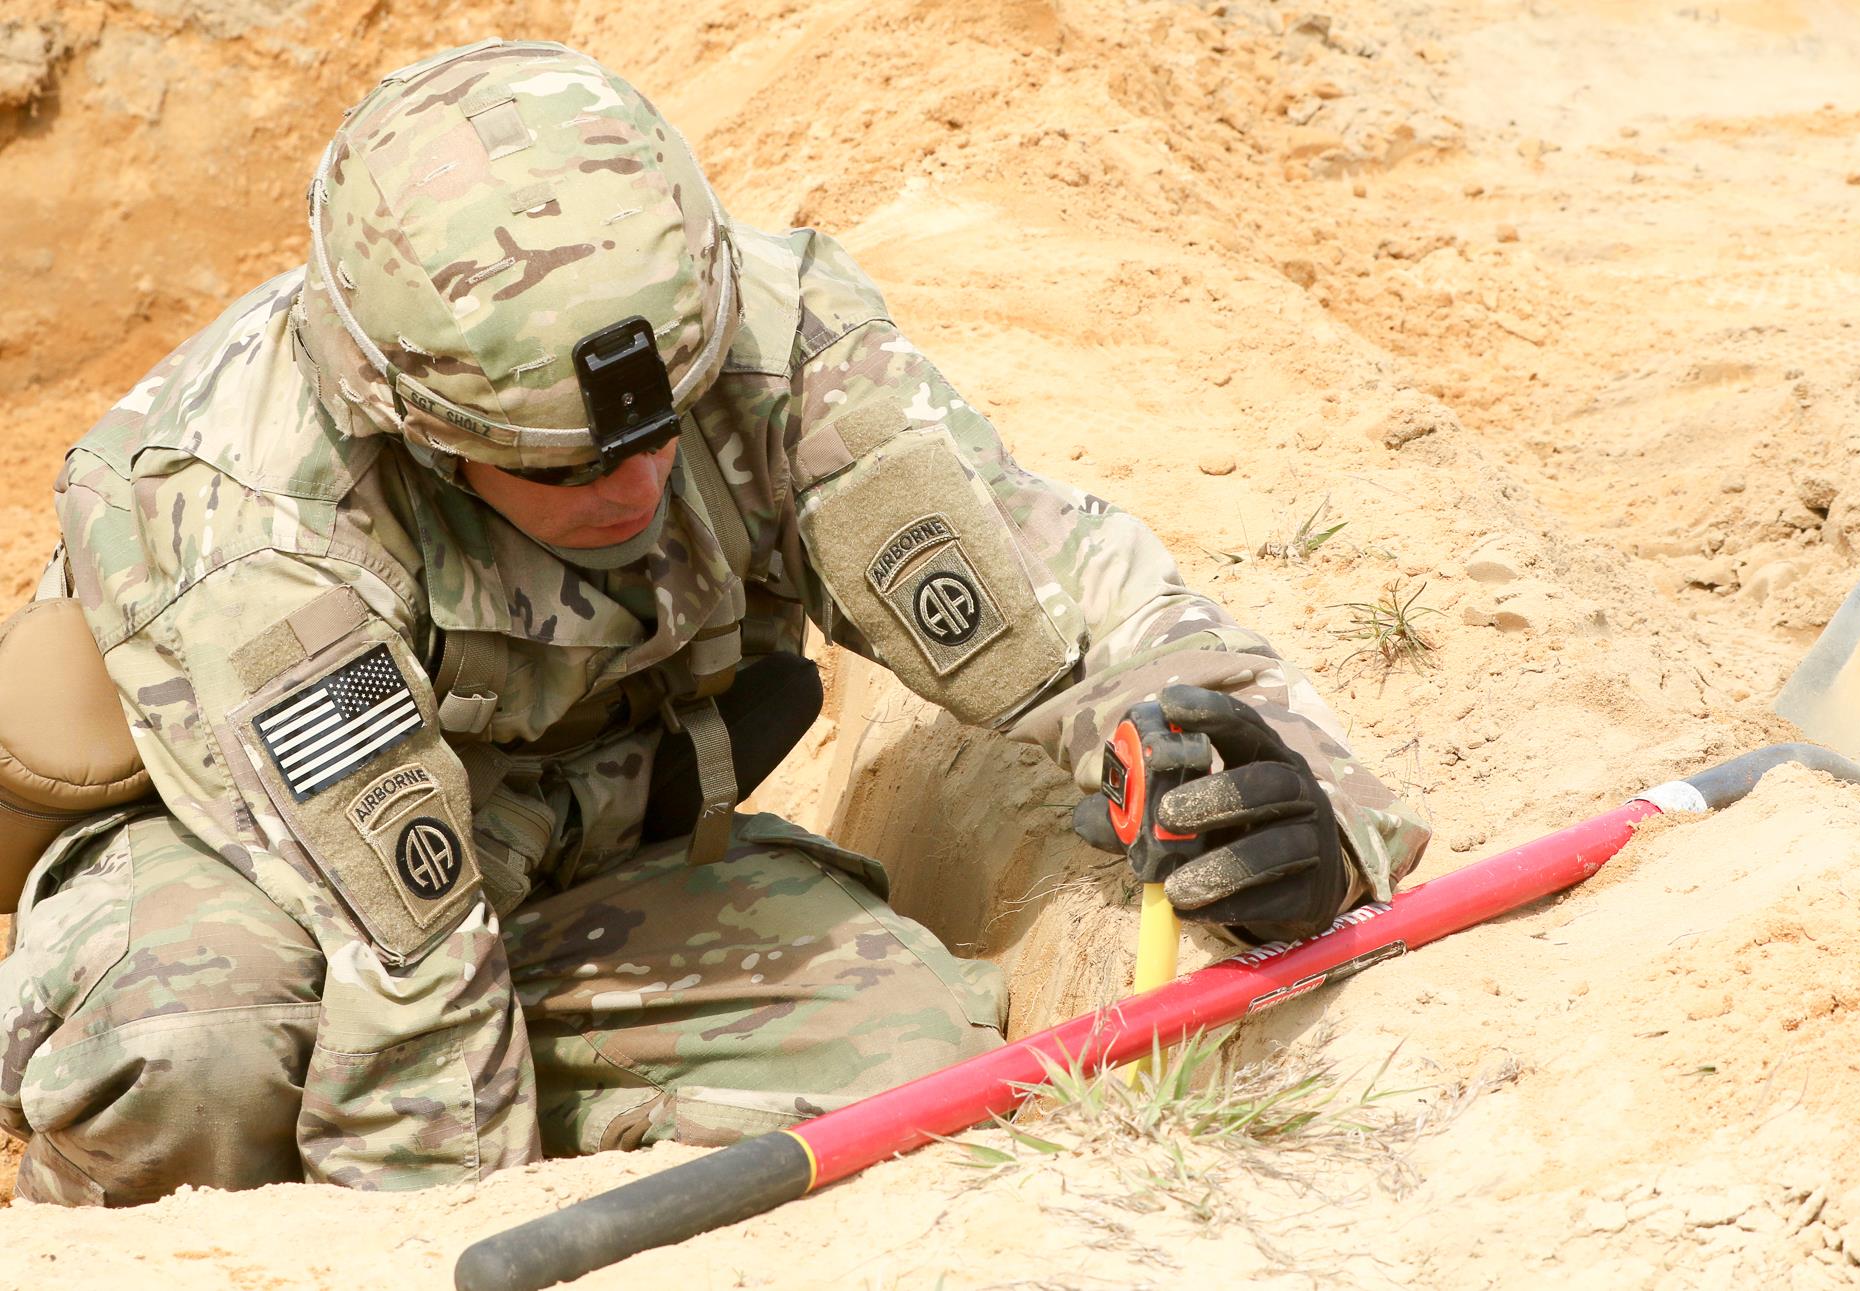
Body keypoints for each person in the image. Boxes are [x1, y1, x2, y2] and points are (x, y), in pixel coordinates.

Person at [0, 39, 1428, 1206]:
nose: (636, 484)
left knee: (917, 1062)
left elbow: (1083, 620)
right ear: (418, 431)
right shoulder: (252, 514)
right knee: (198, 1062)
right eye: (560, 464)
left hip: (595, 872)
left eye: (661, 427)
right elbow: (414, 972)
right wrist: (431, 1245)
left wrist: (1286, 796)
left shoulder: (767, 346)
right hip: (281, 905)